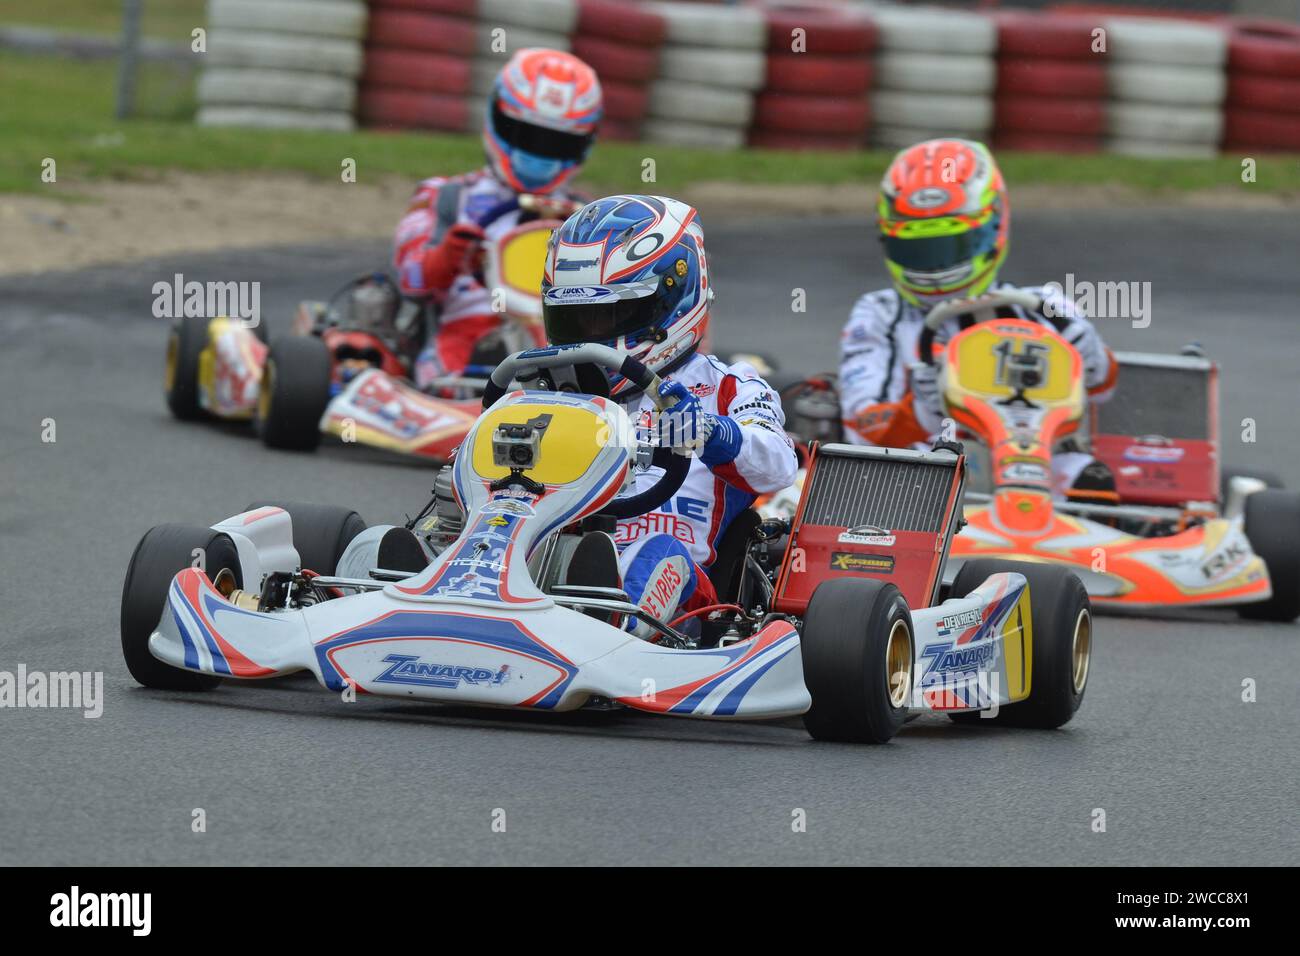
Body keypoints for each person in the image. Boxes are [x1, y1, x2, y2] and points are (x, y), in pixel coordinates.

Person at [541, 195, 799, 629]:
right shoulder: (550, 386)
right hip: (555, 556)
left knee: (654, 553)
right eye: (576, 320)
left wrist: (711, 432)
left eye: (609, 316)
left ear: (671, 303)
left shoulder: (728, 385)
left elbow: (778, 466)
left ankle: (611, 629)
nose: (591, 336)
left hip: (686, 597)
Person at [839, 138, 1120, 502]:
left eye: (951, 247)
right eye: (917, 249)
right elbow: (862, 430)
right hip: (922, 481)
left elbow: (1104, 389)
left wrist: (1089, 352)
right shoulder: (878, 314)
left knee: (1088, 477)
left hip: (1042, 474)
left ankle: (1093, 539)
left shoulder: (1047, 306)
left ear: (992, 227)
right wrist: (922, 410)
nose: (936, 267)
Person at [393, 48, 601, 387]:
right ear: (499, 120)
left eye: (557, 143)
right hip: (468, 332)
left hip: (565, 341)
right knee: (462, 362)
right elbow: (411, 280)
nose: (539, 153)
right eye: (527, 136)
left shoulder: (589, 215)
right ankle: (489, 386)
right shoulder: (447, 196)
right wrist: (446, 258)